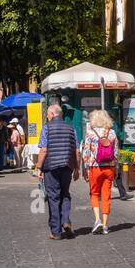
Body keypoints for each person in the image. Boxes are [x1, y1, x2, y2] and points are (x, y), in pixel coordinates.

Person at [34, 102, 79, 240]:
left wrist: (38, 167)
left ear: (53, 114)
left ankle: (56, 231)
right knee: (65, 194)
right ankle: (65, 220)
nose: (47, 117)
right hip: (67, 166)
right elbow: (76, 150)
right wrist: (76, 168)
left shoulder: (47, 127)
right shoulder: (71, 128)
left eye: (47, 114)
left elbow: (44, 149)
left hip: (51, 167)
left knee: (53, 197)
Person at [80, 110, 119, 234]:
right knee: (106, 195)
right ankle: (106, 225)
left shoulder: (90, 133)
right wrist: (115, 168)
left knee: (94, 193)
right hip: (109, 168)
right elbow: (116, 152)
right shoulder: (112, 133)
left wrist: (85, 169)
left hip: (95, 167)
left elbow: (86, 152)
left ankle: (97, 220)